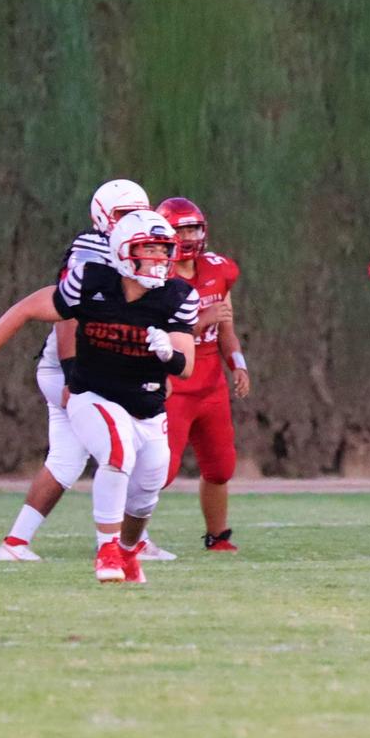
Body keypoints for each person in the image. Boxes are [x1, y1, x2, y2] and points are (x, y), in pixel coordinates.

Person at [0, 211, 197, 582]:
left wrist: (169, 354)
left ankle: (126, 550)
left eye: (162, 250)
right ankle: (106, 551)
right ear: (121, 250)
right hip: (94, 393)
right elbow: (34, 309)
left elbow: (186, 367)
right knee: (116, 454)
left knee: (148, 486)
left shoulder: (179, 296)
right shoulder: (89, 281)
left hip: (147, 406)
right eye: (147, 249)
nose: (157, 258)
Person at [156, 197, 252, 552]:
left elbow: (226, 326)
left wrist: (237, 363)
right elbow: (160, 340)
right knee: (160, 473)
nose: (189, 236)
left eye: (194, 228)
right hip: (174, 384)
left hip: (211, 385)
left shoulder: (219, 270)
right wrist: (201, 321)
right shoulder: (155, 276)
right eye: (181, 229)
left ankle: (217, 536)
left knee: (221, 468)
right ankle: (121, 536)